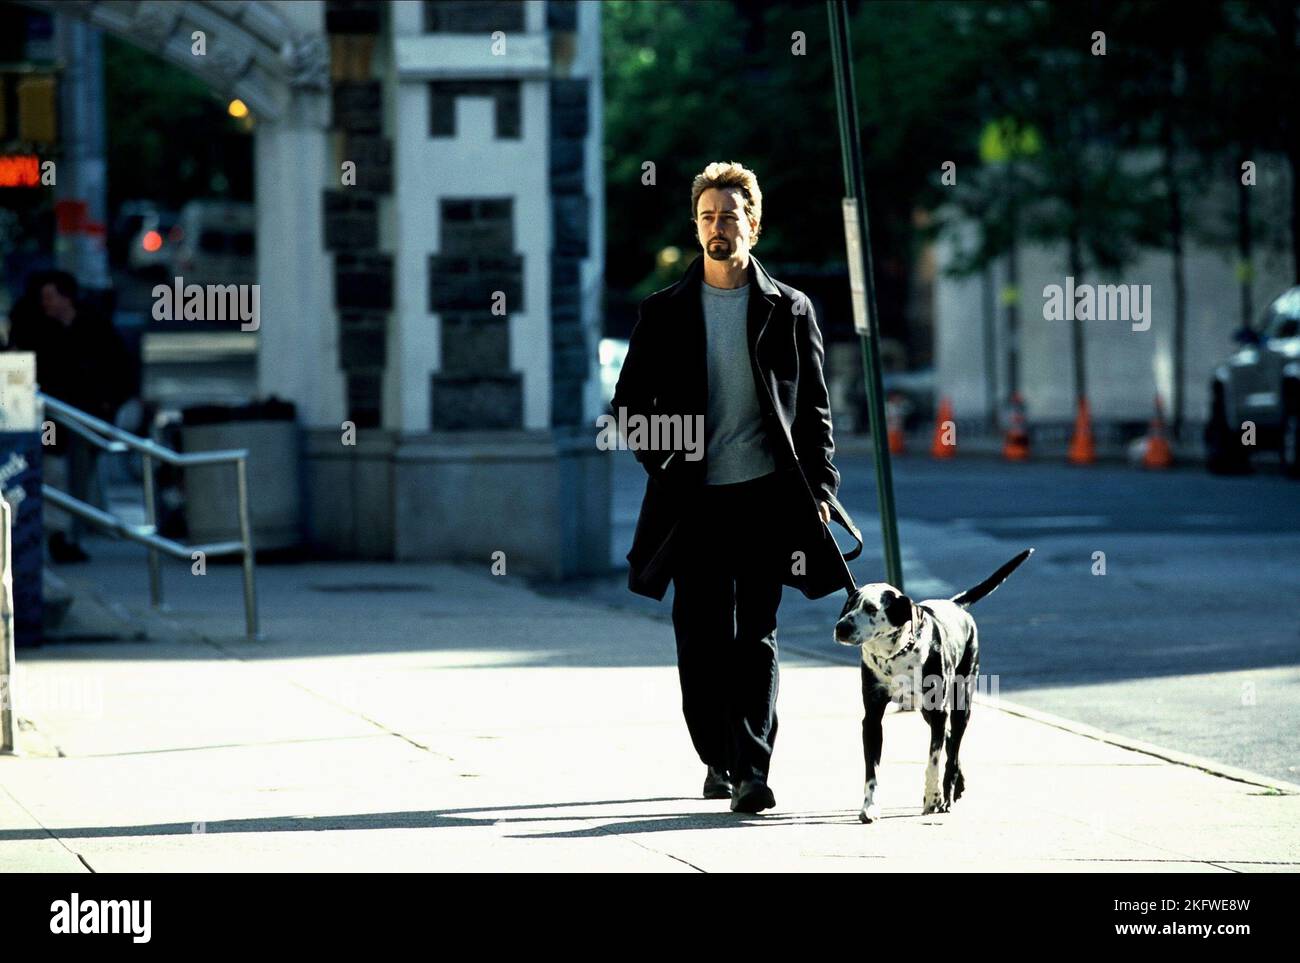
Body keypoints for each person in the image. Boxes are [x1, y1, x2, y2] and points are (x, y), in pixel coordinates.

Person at [612, 162, 859, 814]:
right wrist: (668, 459)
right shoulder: (664, 313)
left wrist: (823, 484)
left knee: (757, 632)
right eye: (707, 217)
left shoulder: (789, 310)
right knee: (698, 636)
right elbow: (629, 407)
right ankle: (718, 754)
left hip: (765, 497)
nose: (718, 228)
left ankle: (751, 767)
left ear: (754, 222)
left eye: (729, 215)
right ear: (697, 226)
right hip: (691, 502)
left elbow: (815, 413)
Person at [5, 270, 133, 562]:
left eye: (51, 297)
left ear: (66, 297)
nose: (46, 304)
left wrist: (108, 403)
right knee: (55, 471)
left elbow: (117, 366)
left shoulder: (92, 325)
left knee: (79, 474)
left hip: (87, 414)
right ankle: (59, 534)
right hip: (52, 415)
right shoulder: (36, 329)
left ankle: (70, 532)